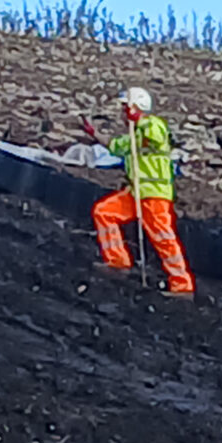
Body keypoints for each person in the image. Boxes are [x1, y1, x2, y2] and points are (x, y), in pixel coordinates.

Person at [84, 86, 194, 297]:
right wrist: (94, 134)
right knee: (104, 212)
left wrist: (139, 119)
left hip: (154, 194)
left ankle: (182, 286)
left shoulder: (153, 125)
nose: (123, 113)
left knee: (163, 237)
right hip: (136, 192)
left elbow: (155, 135)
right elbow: (115, 145)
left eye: (125, 107)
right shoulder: (133, 136)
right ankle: (117, 262)